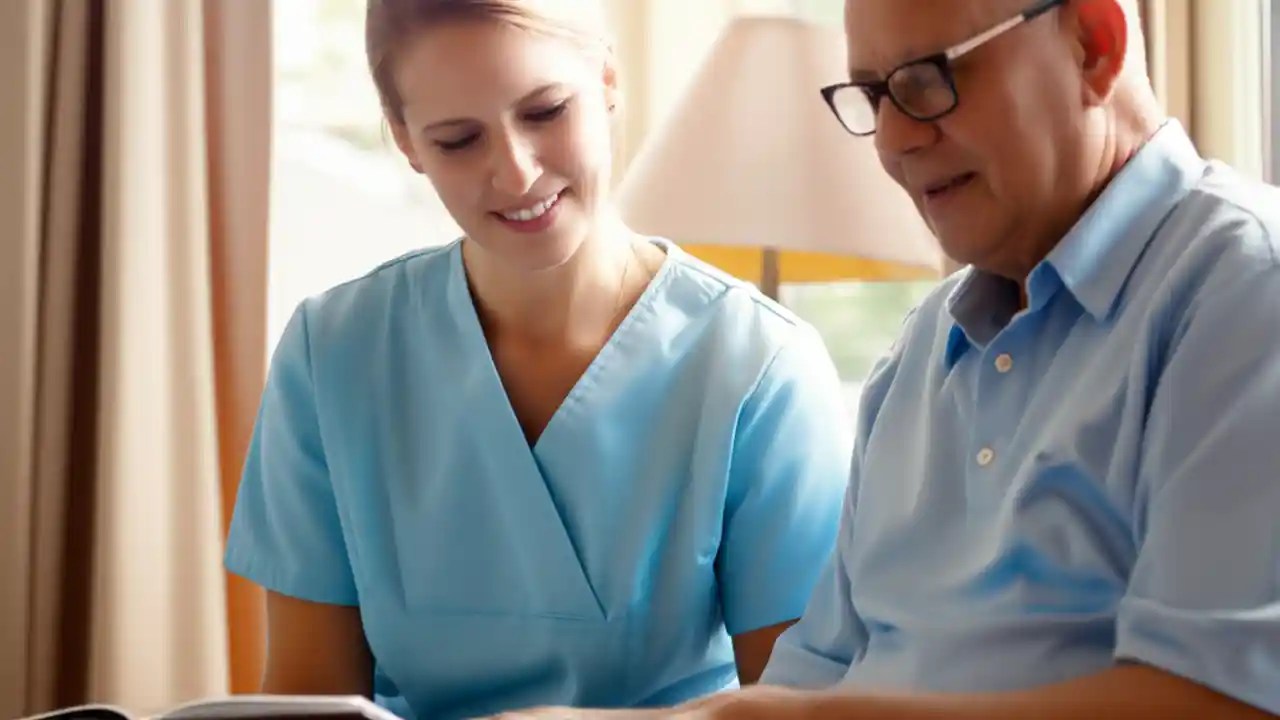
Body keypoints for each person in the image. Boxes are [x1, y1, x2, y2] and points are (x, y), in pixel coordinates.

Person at [491, 0, 1280, 717]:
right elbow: (811, 678)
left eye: (929, 80)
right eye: (873, 96)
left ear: (1095, 46)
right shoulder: (923, 350)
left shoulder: (1242, 292)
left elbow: (1221, 701)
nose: (897, 140)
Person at [222, 0, 853, 718]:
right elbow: (310, 696)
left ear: (608, 79)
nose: (517, 173)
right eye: (458, 140)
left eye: (546, 111)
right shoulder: (332, 353)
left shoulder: (756, 366)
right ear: (404, 142)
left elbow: (795, 710)